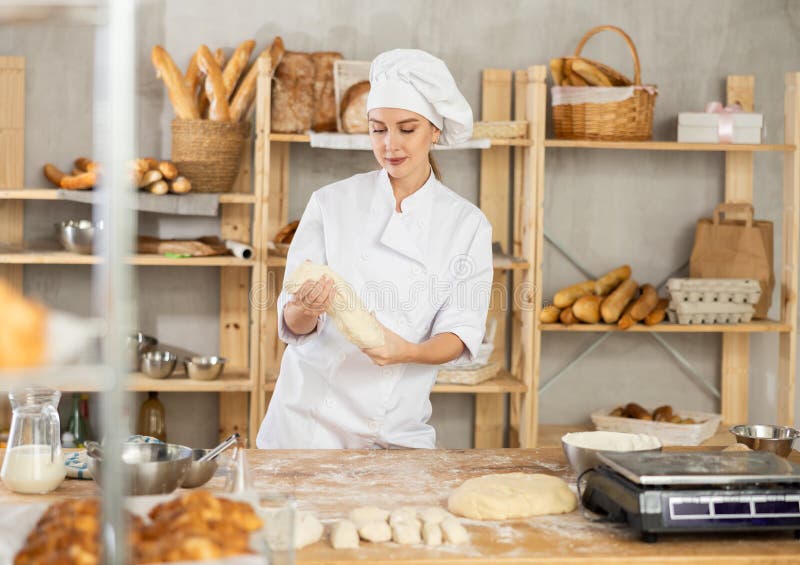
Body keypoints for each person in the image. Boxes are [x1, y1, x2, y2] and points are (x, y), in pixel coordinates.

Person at [256, 48, 492, 449]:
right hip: (304, 426)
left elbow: (460, 332)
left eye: (407, 129)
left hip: (394, 428)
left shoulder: (467, 225)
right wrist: (305, 309)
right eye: (378, 129)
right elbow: (292, 323)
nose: (390, 144)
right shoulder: (331, 203)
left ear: (435, 131)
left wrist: (407, 351)